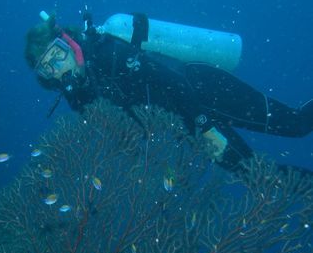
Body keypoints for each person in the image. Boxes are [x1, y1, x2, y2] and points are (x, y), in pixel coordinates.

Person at [24, 12, 313, 174]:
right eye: (47, 68)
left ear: (68, 43)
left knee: (296, 124)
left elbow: (171, 80)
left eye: (57, 55)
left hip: (203, 89)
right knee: (258, 176)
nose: (58, 69)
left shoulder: (108, 51)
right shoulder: (82, 96)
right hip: (188, 124)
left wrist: (206, 127)